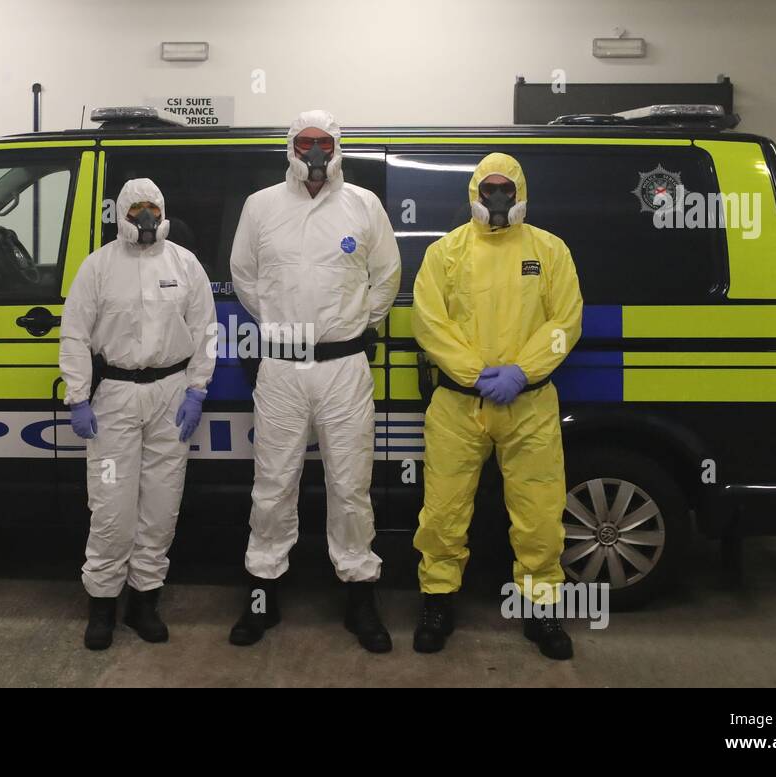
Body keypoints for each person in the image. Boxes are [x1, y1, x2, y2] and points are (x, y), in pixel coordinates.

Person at [228, 110, 402, 653]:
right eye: (305, 143)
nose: (315, 153)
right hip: (281, 366)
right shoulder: (261, 207)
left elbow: (387, 277)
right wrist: (283, 328)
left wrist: (353, 327)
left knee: (350, 483)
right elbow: (244, 277)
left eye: (323, 143)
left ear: (338, 147)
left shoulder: (363, 206)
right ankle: (262, 593)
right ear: (290, 148)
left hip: (344, 367)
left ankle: (359, 596)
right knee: (273, 481)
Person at [410, 152, 583, 660]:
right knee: (443, 509)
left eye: (508, 189)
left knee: (539, 512)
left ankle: (543, 609)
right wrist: (474, 374)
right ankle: (437, 600)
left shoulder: (550, 251)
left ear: (522, 191)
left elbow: (566, 322)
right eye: (491, 190)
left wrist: (523, 371)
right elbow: (429, 322)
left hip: (528, 403)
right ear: (475, 195)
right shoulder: (446, 253)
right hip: (458, 404)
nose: (500, 199)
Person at [59, 178, 216, 650]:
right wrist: (78, 397)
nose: (146, 217)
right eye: (137, 209)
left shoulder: (184, 265)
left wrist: (196, 391)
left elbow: (205, 330)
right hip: (115, 399)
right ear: (122, 213)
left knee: (161, 504)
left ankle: (144, 602)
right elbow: (74, 334)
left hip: (171, 395)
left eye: (153, 208)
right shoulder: (99, 267)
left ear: (163, 211)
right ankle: (102, 605)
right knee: (111, 505)